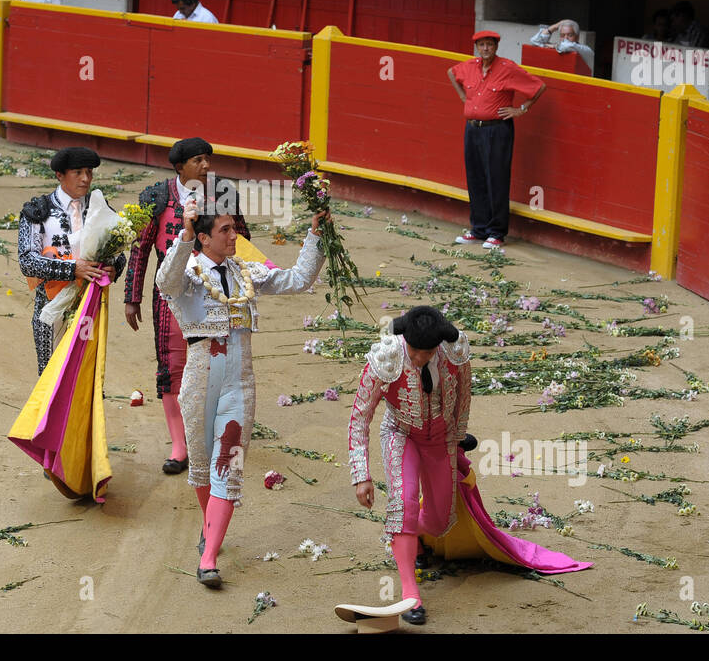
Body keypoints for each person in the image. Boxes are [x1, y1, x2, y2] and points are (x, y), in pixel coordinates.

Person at [156, 197, 327, 587]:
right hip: (200, 378)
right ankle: (209, 529)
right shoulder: (188, 273)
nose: (235, 235)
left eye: (234, 228)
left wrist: (315, 233)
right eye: (226, 230)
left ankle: (210, 557)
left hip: (239, 381)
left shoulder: (247, 271)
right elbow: (165, 281)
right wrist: (183, 236)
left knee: (227, 467)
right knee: (202, 465)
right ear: (204, 237)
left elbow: (298, 279)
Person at [124, 137, 251, 476]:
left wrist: (249, 287)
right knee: (173, 366)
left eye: (208, 159)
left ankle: (213, 434)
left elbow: (242, 243)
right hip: (173, 293)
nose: (206, 166)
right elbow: (140, 249)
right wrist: (131, 296)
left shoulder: (223, 193)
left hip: (217, 293)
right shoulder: (156, 197)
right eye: (198, 160)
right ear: (180, 167)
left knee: (221, 363)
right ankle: (180, 445)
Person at [348, 306, 470, 625]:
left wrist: (456, 442)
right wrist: (362, 475)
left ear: (438, 347)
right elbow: (360, 416)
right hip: (400, 432)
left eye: (426, 353)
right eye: (414, 351)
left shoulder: (455, 353)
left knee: (442, 521)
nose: (418, 359)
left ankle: (412, 537)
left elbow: (463, 399)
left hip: (440, 440)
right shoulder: (386, 357)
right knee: (403, 505)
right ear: (405, 341)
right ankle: (410, 594)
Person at [18, 147, 123, 373]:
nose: (86, 179)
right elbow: (27, 261)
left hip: (89, 307)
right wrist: (73, 268)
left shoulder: (100, 209)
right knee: (51, 379)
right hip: (50, 307)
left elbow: (118, 252)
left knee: (86, 376)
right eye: (78, 172)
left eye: (89, 172)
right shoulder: (38, 211)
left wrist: (114, 267)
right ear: (60, 175)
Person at [448, 30, 546, 250]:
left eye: (489, 45)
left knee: (496, 179)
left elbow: (538, 87)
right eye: (481, 45)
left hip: (497, 130)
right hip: (473, 128)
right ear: (477, 47)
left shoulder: (507, 68)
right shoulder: (470, 66)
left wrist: (521, 109)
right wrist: (464, 98)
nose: (485, 49)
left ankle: (497, 232)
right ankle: (478, 228)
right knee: (475, 178)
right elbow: (451, 73)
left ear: (496, 47)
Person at [529, 18, 596, 69]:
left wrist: (554, 46)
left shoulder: (585, 50)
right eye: (562, 35)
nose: (565, 38)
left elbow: (567, 46)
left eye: (570, 35)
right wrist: (555, 27)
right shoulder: (559, 48)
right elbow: (535, 41)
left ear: (577, 37)